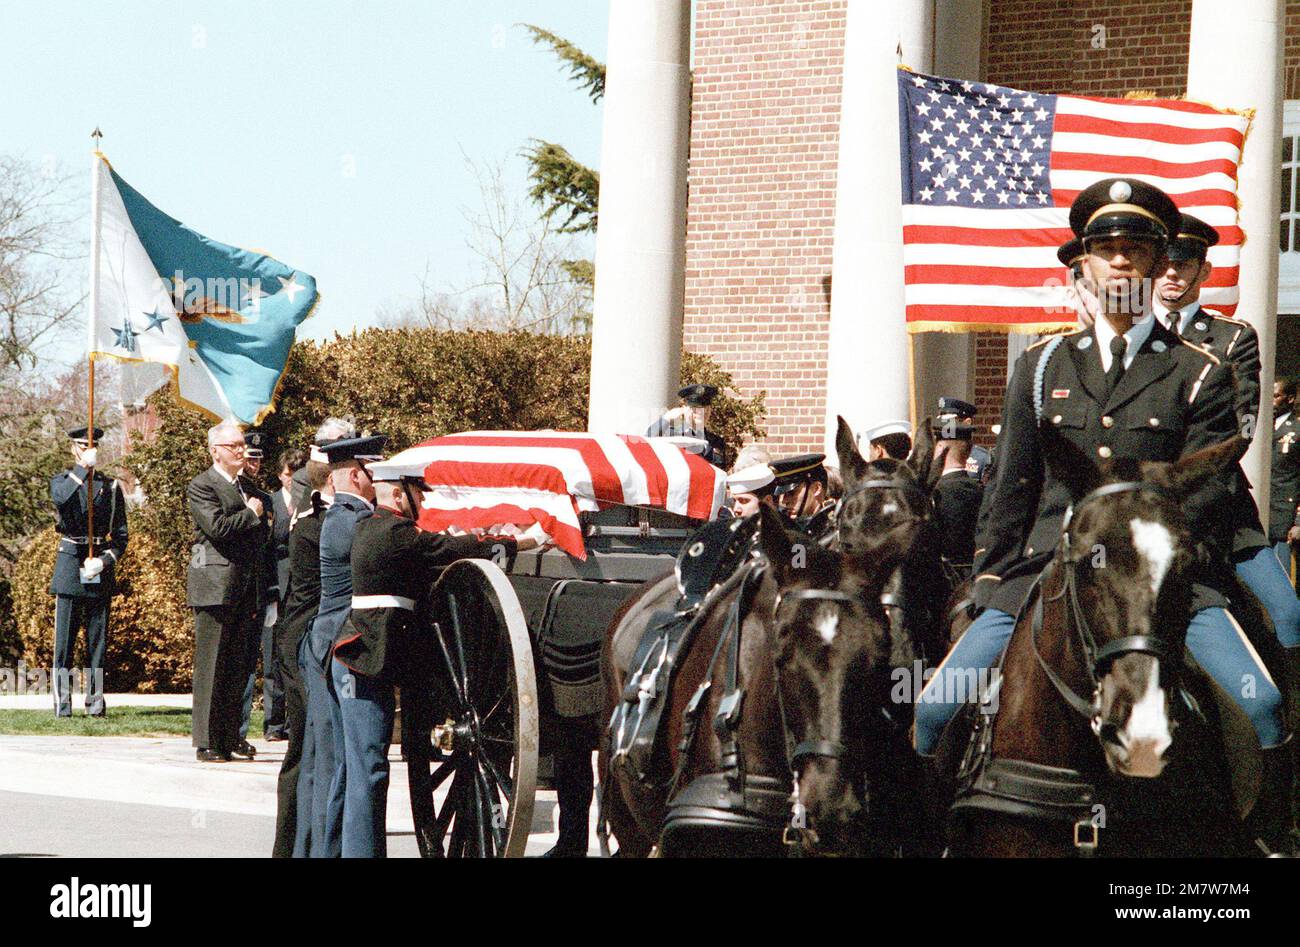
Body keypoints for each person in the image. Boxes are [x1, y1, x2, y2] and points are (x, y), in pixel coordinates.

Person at [913, 177, 1290, 850]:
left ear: (1155, 264)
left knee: (1259, 706)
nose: (1121, 261)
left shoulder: (1199, 372)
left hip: (1160, 583)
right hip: (1043, 571)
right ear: (1081, 264)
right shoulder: (1039, 366)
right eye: (1106, 249)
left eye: (1137, 250)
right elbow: (1010, 490)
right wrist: (988, 585)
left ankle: (1267, 842)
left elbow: (1204, 494)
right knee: (934, 707)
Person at [332, 458, 537, 857]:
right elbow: (447, 548)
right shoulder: (393, 533)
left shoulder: (378, 529)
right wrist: (519, 541)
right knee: (367, 770)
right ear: (397, 492)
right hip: (364, 657)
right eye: (416, 493)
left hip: (376, 654)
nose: (422, 500)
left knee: (361, 769)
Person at [1153, 214, 1300, 658]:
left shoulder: (1232, 338)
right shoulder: (1133, 339)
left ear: (1204, 271)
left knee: (1288, 611)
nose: (1172, 273)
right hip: (1140, 502)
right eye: (1163, 264)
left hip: (1221, 510)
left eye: (1184, 263)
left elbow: (1242, 426)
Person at [298, 433, 386, 856]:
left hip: (332, 644)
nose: (379, 479)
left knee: (345, 764)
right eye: (375, 470)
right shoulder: (353, 520)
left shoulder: (344, 516)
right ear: (357, 473)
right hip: (344, 647)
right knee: (355, 764)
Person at [187, 421, 275, 762]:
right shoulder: (203, 485)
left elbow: (261, 536)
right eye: (233, 446)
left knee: (237, 667)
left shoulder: (247, 487)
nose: (241, 451)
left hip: (245, 585)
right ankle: (207, 740)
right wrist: (251, 514)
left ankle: (227, 737)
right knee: (212, 665)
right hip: (216, 586)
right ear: (215, 451)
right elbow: (218, 528)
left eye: (241, 445)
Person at [48, 426, 128, 718]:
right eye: (83, 446)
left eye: (92, 446)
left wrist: (105, 561)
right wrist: (82, 468)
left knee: (97, 644)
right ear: (74, 448)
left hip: (96, 567)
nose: (89, 450)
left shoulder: (110, 487)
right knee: (64, 644)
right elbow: (62, 499)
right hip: (70, 564)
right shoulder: (62, 481)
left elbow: (121, 537)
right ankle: (63, 704)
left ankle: (95, 703)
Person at [262, 446, 306, 743]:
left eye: (297, 474)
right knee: (272, 657)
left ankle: (294, 722)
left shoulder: (309, 503)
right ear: (280, 476)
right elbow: (264, 549)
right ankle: (273, 723)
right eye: (288, 475)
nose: (292, 480)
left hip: (300, 588)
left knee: (296, 657)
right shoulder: (272, 502)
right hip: (275, 586)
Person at [930, 398, 984, 571]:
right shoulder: (985, 493)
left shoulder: (933, 494)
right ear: (968, 452)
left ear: (939, 450)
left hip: (941, 581)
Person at [647, 383, 729, 468]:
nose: (701, 412)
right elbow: (647, 440)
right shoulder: (672, 435)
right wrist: (666, 418)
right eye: (695, 408)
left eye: (705, 408)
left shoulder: (717, 442)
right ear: (684, 408)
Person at [1271, 377, 1300, 579]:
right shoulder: (1254, 425)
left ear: (1289, 399)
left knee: (1282, 582)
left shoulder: (1297, 430)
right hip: (1255, 517)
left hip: (1284, 521)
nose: (1271, 401)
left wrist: (1299, 521)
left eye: (1276, 396)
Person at [770, 453, 835, 536]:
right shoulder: (781, 528)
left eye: (791, 493)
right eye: (782, 494)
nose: (784, 501)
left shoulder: (835, 530)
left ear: (816, 489)